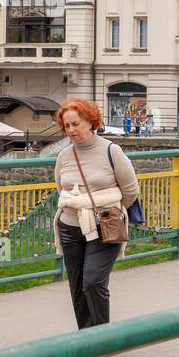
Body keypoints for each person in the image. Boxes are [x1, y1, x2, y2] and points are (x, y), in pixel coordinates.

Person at [52, 99, 140, 340]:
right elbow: (61, 186)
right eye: (66, 125)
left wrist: (106, 209)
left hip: (104, 226)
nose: (71, 130)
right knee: (77, 286)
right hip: (70, 227)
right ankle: (85, 339)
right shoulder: (64, 155)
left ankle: (102, 338)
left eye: (76, 124)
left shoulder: (111, 151)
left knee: (92, 282)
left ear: (91, 122)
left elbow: (130, 191)